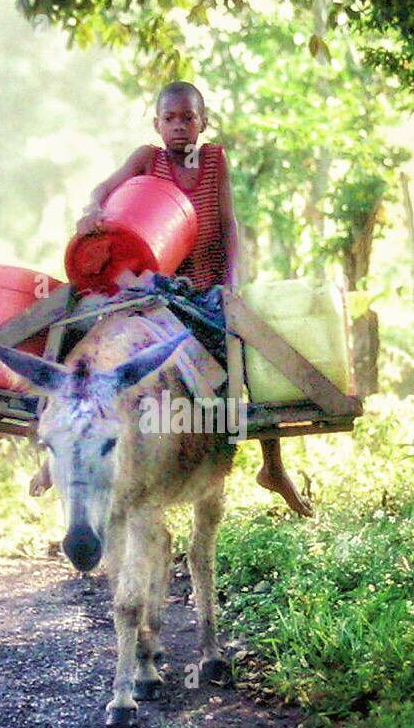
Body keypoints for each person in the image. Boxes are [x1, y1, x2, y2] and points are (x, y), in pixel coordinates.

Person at [31, 80, 312, 517]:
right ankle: (54, 447)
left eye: (189, 117)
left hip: (204, 287)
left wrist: (233, 280)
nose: (180, 126)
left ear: (204, 122)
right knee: (85, 336)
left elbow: (228, 223)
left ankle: (272, 466)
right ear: (157, 123)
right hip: (152, 286)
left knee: (249, 349)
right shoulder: (147, 160)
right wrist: (91, 212)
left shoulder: (216, 161)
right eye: (171, 118)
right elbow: (102, 191)